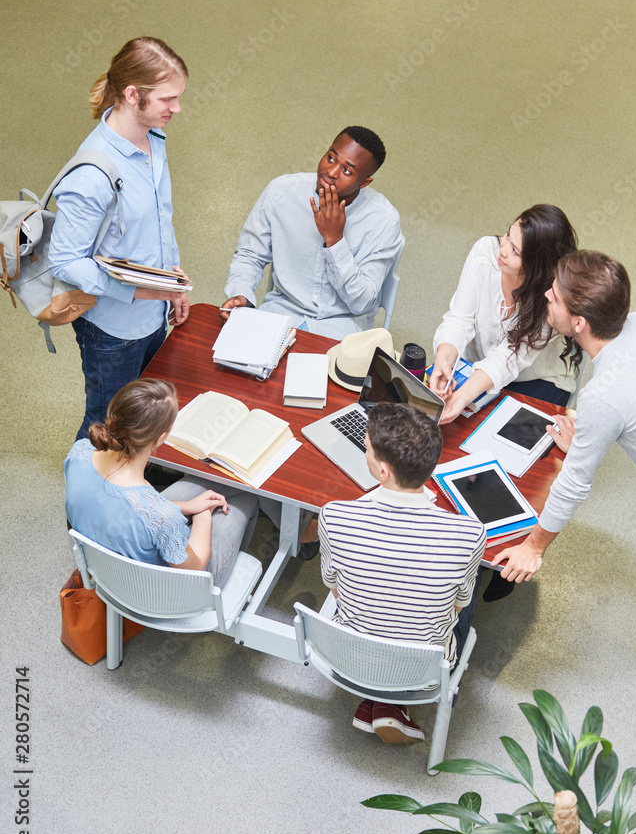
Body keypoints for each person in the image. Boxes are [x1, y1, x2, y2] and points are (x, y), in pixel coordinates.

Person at [492, 250, 636, 585]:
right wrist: (588, 438)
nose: (546, 294)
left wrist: (533, 548)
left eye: (555, 297)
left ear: (578, 323)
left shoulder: (603, 397)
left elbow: (573, 485)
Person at [49, 37, 191, 441]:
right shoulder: (92, 176)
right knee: (108, 422)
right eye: (168, 99)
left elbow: (161, 218)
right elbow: (64, 261)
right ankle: (89, 493)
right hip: (111, 329)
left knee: (146, 410)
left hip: (153, 313)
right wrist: (139, 293)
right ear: (133, 95)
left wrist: (172, 281)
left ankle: (133, 483)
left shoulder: (152, 140)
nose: (176, 108)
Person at [319, 404, 486, 745]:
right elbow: (455, 608)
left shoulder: (334, 517)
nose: (364, 451)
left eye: (365, 447)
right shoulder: (470, 534)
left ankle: (380, 699)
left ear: (382, 471)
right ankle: (390, 701)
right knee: (469, 584)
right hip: (422, 675)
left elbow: (335, 591)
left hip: (348, 659)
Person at [65, 379, 259, 587]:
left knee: (217, 483)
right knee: (247, 495)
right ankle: (224, 586)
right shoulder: (160, 513)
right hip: (164, 596)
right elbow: (194, 568)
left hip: (107, 572)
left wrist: (187, 507)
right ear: (161, 439)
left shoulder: (79, 453)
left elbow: (120, 506)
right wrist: (202, 515)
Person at [220, 126, 404, 340]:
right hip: (281, 312)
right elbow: (250, 255)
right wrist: (240, 293)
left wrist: (335, 241)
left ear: (364, 182)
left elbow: (362, 302)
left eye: (347, 171)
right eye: (331, 158)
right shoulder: (281, 192)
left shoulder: (384, 221)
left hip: (343, 329)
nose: (331, 172)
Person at [431, 204, 579, 421]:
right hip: (480, 365)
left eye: (515, 251)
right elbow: (459, 319)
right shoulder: (484, 252)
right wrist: (443, 361)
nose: (502, 249)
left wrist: (462, 396)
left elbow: (507, 358)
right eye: (508, 235)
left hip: (534, 379)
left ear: (537, 266)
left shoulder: (552, 299)